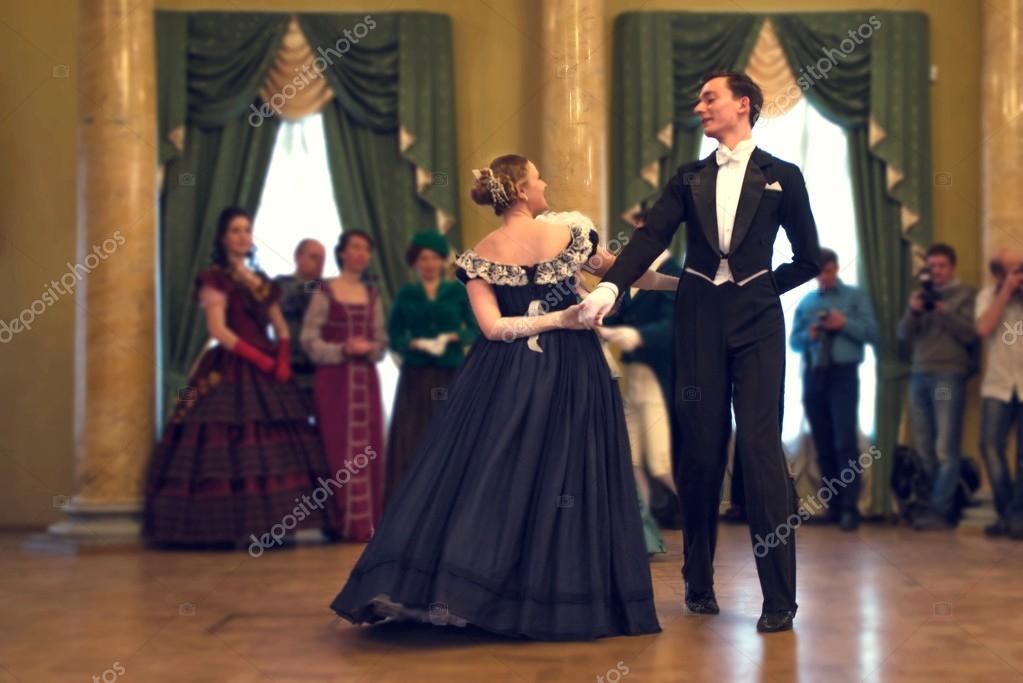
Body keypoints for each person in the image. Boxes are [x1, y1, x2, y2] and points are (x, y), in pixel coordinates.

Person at [330, 154, 678, 640]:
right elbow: (615, 279)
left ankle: (480, 590)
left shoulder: (481, 252)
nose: (545, 183)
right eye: (537, 177)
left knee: (498, 474)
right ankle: (537, 596)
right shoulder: (568, 235)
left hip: (507, 374)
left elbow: (500, 326)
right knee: (561, 474)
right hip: (571, 369)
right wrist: (564, 318)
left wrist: (686, 285)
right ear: (519, 189)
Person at [579, 72, 821, 633]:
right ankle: (697, 580)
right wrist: (615, 287)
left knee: (760, 451)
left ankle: (779, 599)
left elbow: (807, 258)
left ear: (744, 104)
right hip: (697, 320)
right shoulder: (687, 177)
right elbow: (650, 238)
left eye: (709, 98)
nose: (699, 106)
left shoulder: (784, 176)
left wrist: (760, 286)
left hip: (758, 322)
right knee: (702, 450)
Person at [144, 207, 340, 547]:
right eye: (235, 230)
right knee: (222, 440)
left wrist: (280, 356)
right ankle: (216, 530)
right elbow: (218, 330)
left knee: (275, 446)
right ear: (223, 238)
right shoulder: (214, 278)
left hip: (266, 364)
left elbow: (279, 326)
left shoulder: (262, 281)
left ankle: (274, 526)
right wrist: (260, 360)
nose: (242, 236)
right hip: (230, 363)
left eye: (246, 230)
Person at [301, 230, 387, 541]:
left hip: (365, 381)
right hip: (334, 383)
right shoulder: (325, 291)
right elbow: (309, 340)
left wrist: (370, 349)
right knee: (336, 449)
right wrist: (341, 350)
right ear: (342, 253)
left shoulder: (373, 295)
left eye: (366, 248)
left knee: (370, 448)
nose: (361, 254)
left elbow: (381, 342)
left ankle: (368, 524)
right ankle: (340, 524)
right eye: (355, 248)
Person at [384, 231, 479, 508]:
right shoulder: (406, 294)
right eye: (423, 258)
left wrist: (454, 338)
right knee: (414, 436)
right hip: (416, 376)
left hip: (450, 374)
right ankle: (410, 504)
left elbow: (476, 328)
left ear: (442, 262)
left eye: (435, 258)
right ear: (415, 262)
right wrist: (411, 343)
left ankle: (450, 501)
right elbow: (394, 334)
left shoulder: (456, 292)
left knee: (450, 434)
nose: (429, 264)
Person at [790, 248, 878, 531]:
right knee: (823, 443)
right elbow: (793, 342)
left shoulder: (855, 297)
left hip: (844, 374)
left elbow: (872, 333)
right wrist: (809, 335)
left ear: (836, 269)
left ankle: (851, 508)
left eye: (827, 271)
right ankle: (835, 505)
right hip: (815, 375)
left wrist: (844, 324)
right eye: (819, 272)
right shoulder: (806, 302)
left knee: (844, 441)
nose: (823, 277)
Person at [897, 243, 977, 531]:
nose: (937, 272)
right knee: (924, 446)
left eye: (941, 266)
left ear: (951, 267)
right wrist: (913, 311)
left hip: (948, 376)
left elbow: (971, 334)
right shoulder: (920, 296)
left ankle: (940, 511)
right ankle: (934, 506)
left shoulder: (966, 294)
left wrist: (944, 311)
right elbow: (903, 335)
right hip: (919, 375)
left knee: (945, 446)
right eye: (932, 267)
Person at [975, 249, 1023, 539]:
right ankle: (1008, 513)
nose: (1018, 274)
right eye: (1012, 270)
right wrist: (1005, 293)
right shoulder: (987, 296)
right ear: (999, 274)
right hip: (998, 384)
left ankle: (1017, 516)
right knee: (990, 447)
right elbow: (983, 328)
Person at [274, 239, 326, 400]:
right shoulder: (280, 284)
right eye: (313, 257)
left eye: (322, 259)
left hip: (320, 370)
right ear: (297, 257)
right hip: (288, 367)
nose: (319, 263)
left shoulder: (328, 289)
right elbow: (292, 296)